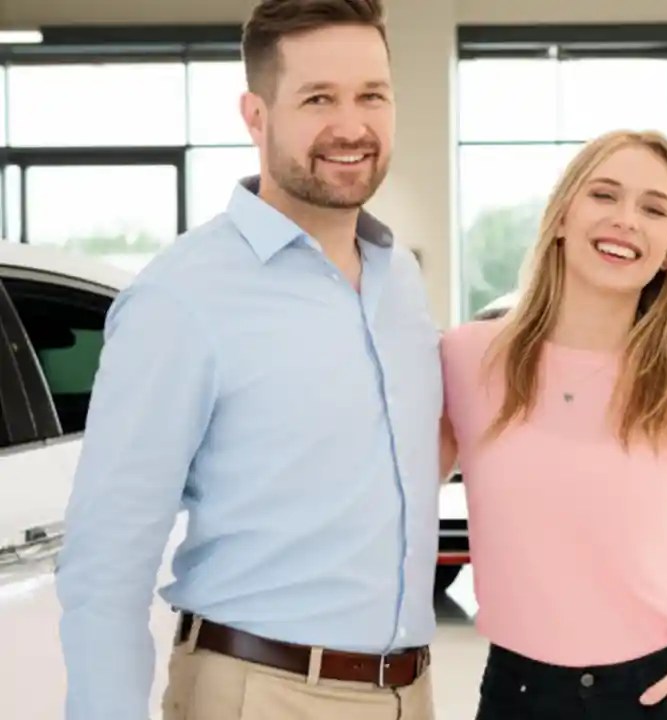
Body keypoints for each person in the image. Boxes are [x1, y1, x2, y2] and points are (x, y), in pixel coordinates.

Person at [55, 1, 442, 719]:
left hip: (407, 694)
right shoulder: (182, 297)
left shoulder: (401, 281)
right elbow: (106, 563)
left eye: (371, 95)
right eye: (318, 98)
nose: (352, 126)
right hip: (259, 694)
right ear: (256, 116)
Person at [440, 129, 667, 719]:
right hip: (521, 696)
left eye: (654, 209)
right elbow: (390, 505)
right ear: (561, 217)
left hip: (665, 690)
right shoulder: (466, 359)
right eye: (604, 195)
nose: (626, 220)